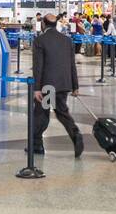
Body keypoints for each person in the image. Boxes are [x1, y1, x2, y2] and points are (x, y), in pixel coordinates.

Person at [31, 13, 83, 157]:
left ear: (43, 24)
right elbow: (72, 65)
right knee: (62, 112)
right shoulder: (67, 41)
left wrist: (36, 88)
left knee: (41, 113)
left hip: (47, 86)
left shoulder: (40, 40)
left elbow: (38, 66)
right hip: (63, 84)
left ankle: (37, 145)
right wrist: (75, 86)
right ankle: (75, 134)